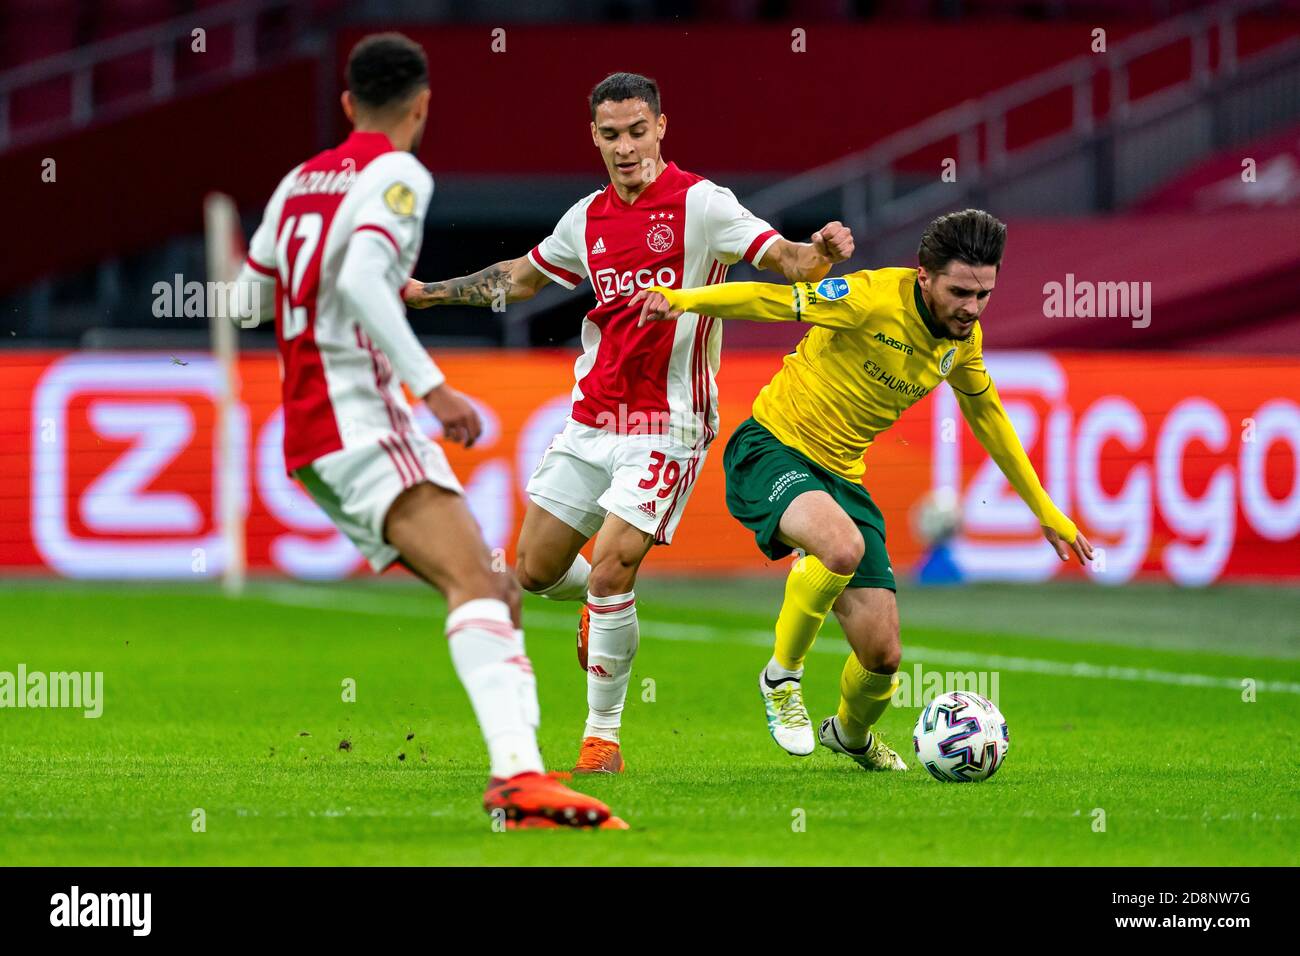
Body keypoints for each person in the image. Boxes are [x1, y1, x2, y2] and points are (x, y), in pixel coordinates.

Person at [404, 72, 853, 774]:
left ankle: (601, 739)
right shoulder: (586, 218)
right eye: (611, 135)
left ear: (661, 127)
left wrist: (820, 251)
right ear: (594, 137)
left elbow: (786, 262)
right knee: (533, 568)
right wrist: (428, 294)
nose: (626, 147)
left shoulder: (703, 205)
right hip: (591, 418)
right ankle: (600, 614)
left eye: (637, 131)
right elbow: (521, 278)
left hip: (669, 423)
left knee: (614, 567)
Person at [236, 32, 620, 828]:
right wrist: (434, 387)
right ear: (422, 105)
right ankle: (519, 783)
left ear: (347, 104)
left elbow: (247, 301)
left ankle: (521, 778)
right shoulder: (397, 173)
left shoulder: (299, 182)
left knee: (488, 587)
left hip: (310, 435)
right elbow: (365, 281)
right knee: (485, 587)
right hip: (363, 417)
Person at [632, 209, 1093, 771]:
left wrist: (1047, 512)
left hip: (842, 478)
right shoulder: (871, 298)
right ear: (924, 277)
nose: (971, 308)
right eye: (960, 292)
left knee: (882, 656)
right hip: (771, 447)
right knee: (841, 548)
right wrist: (682, 299)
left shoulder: (961, 341)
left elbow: (990, 417)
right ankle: (782, 677)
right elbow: (771, 302)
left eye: (984, 294)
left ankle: (849, 736)